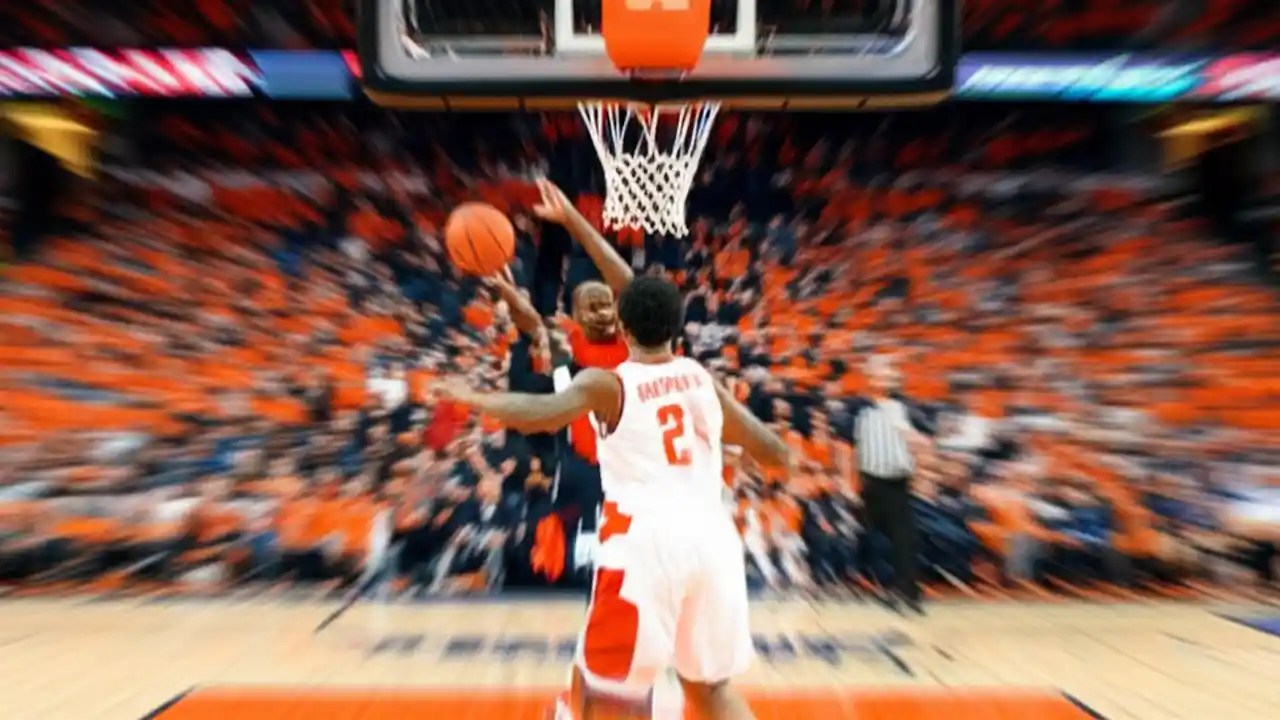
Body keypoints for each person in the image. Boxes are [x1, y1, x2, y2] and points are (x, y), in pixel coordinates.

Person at [438, 274, 789, 720]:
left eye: (609, 304)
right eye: (593, 305)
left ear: (623, 323)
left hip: (644, 539)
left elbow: (541, 414)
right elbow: (777, 453)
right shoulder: (699, 377)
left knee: (611, 691)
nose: (601, 311)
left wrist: (472, 397)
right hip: (710, 538)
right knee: (708, 690)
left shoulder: (608, 382)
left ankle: (576, 711)